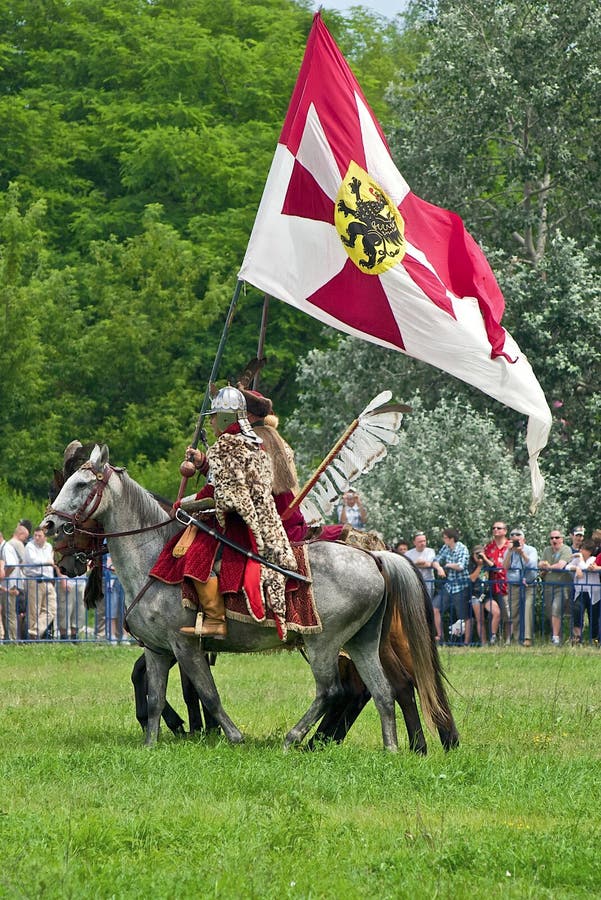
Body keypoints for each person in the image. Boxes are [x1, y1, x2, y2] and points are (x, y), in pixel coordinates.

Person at [151, 386, 297, 640]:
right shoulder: (251, 441)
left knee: (195, 555)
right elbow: (229, 479)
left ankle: (215, 619)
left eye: (215, 416)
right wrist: (204, 463)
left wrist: (181, 504)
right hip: (258, 520)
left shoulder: (227, 445)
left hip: (237, 524)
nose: (211, 422)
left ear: (226, 417)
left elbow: (215, 493)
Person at [23, 527, 65, 640]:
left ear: (45, 537)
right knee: (34, 611)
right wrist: (47, 562)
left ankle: (34, 632)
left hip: (48, 581)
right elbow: (33, 561)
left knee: (51, 609)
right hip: (34, 580)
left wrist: (49, 564)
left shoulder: (49, 547)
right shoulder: (29, 546)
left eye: (39, 536)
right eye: (35, 535)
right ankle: (32, 639)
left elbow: (51, 563)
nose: (36, 538)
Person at [432, 528, 471, 645]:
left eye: (445, 538)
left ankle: (466, 643)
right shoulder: (446, 547)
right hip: (449, 586)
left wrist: (447, 565)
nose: (443, 540)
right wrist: (439, 568)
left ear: (451, 539)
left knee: (464, 616)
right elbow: (435, 560)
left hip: (461, 586)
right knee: (435, 608)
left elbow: (461, 566)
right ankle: (440, 638)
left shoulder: (462, 548)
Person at [502, 528, 538, 645]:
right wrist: (510, 552)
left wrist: (521, 553)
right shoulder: (508, 551)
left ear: (524, 539)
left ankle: (527, 638)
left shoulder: (531, 550)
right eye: (512, 536)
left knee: (528, 608)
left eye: (518, 535)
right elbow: (505, 566)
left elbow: (532, 564)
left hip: (529, 584)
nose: (515, 537)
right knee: (514, 612)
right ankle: (517, 638)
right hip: (514, 584)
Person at [539, 529, 572, 645]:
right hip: (548, 585)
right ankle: (558, 636)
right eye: (552, 538)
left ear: (562, 539)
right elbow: (540, 563)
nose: (554, 540)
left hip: (562, 586)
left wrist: (547, 567)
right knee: (550, 612)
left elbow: (561, 565)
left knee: (556, 609)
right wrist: (543, 566)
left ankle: (555, 637)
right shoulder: (547, 550)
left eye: (557, 537)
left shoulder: (566, 549)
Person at [567, 539, 600, 643]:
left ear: (589, 551)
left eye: (583, 549)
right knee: (577, 611)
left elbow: (587, 567)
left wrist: (580, 563)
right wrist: (576, 568)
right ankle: (577, 637)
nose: (581, 551)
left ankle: (594, 639)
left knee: (593, 616)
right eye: (580, 549)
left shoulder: (593, 559)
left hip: (593, 592)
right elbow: (567, 567)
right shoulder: (577, 560)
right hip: (580, 591)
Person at [468, 545, 501, 645]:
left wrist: (485, 559)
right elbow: (472, 579)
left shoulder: (487, 562)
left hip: (486, 594)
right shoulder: (471, 565)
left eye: (481, 553)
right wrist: (479, 566)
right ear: (472, 555)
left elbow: (496, 569)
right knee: (480, 620)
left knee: (496, 612)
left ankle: (493, 637)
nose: (479, 556)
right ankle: (483, 643)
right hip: (476, 594)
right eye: (477, 554)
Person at [482, 521, 510, 623]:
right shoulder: (488, 547)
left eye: (498, 528)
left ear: (505, 531)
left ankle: (509, 635)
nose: (495, 530)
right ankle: (494, 634)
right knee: (493, 616)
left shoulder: (510, 546)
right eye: (493, 528)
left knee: (508, 617)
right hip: (492, 586)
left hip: (507, 586)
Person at [1, 531, 21, 641]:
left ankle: (12, 640)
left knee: (9, 614)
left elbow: (12, 565)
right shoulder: (4, 548)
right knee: (6, 613)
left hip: (9, 585)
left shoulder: (6, 548)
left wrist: (3, 577)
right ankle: (8, 638)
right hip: (6, 585)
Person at [404, 532, 436, 596]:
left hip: (428, 583)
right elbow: (406, 566)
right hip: (413, 583)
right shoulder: (408, 553)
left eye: (424, 541)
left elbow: (428, 565)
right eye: (420, 541)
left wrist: (413, 564)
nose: (423, 543)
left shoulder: (430, 551)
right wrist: (418, 563)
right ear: (414, 543)